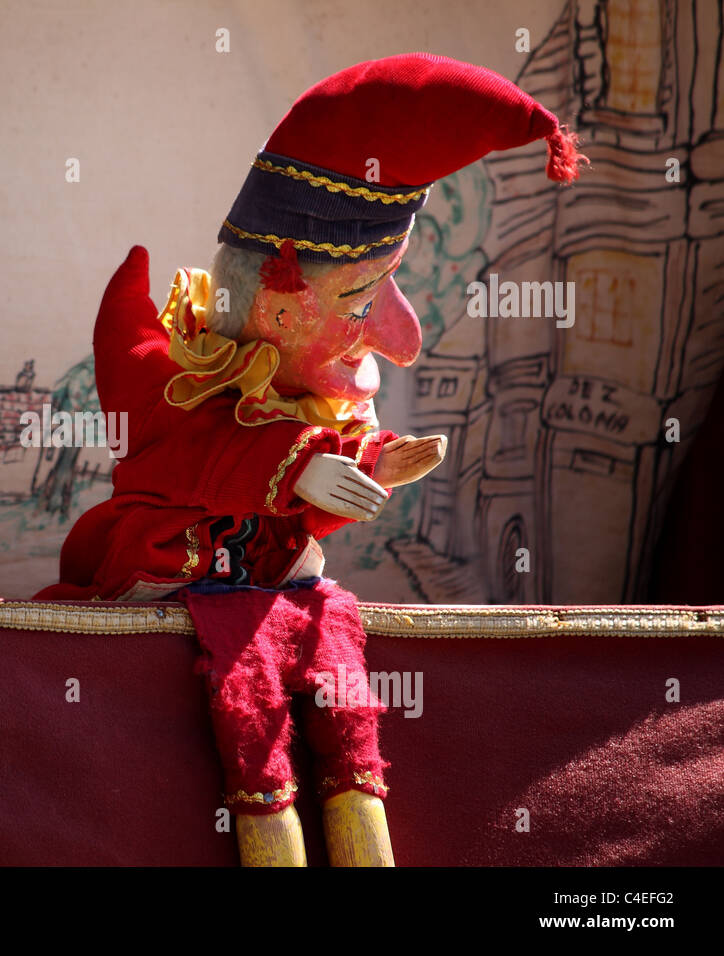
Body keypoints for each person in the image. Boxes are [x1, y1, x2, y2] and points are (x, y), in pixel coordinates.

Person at [35, 53, 586, 865]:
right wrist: (297, 469)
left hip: (285, 586)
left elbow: (298, 498)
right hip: (199, 593)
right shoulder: (179, 386)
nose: (398, 341)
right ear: (282, 310)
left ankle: (362, 813)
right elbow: (191, 457)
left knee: (338, 657)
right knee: (249, 686)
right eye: (361, 303)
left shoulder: (306, 400)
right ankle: (269, 833)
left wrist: (364, 469)